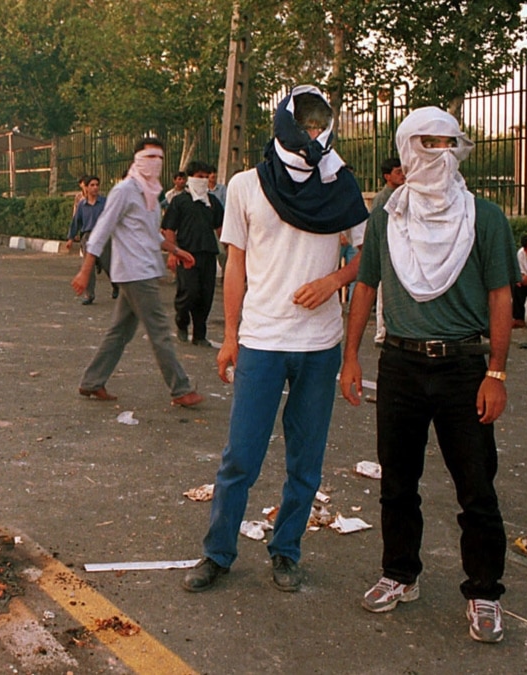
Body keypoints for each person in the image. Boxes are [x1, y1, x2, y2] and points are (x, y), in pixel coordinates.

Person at [183, 85, 368, 595]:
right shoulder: (245, 185)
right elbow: (235, 265)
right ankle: (217, 554)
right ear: (284, 123)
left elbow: (365, 257)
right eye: (303, 123)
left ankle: (286, 551)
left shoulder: (338, 183)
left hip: (320, 343)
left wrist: (334, 281)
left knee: (305, 462)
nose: (311, 135)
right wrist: (229, 337)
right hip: (262, 340)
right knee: (240, 457)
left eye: (319, 125)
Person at [340, 107, 515, 644]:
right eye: (426, 143)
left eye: (446, 142)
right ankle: (400, 574)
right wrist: (351, 358)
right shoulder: (388, 215)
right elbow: (365, 287)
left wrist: (497, 374)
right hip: (400, 364)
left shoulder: (483, 218)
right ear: (407, 148)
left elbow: (501, 296)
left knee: (476, 486)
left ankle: (484, 590)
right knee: (397, 482)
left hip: (464, 367)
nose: (438, 154)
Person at [71, 137, 204, 408]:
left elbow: (149, 233)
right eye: (149, 157)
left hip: (142, 270)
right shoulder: (124, 191)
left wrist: (175, 251)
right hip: (135, 273)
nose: (155, 163)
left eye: (159, 158)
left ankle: (92, 381)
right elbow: (102, 230)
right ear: (136, 160)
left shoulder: (150, 192)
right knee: (159, 331)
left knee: (120, 331)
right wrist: (85, 271)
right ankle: (181, 388)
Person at [161, 161, 223, 345]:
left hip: (208, 254)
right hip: (186, 254)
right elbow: (169, 229)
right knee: (188, 292)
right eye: (199, 176)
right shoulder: (180, 201)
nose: (203, 180)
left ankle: (199, 334)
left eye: (206, 177)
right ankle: (181, 321)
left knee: (205, 295)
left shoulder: (213, 202)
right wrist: (173, 253)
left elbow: (221, 228)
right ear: (190, 178)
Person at [370, 157, 405, 343]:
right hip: (387, 251)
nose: (403, 175)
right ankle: (381, 332)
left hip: (401, 252)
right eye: (398, 172)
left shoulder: (405, 194)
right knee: (384, 294)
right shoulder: (382, 199)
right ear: (387, 176)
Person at [66, 175, 110, 305]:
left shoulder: (105, 202)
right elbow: (76, 222)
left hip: (103, 236)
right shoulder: (82, 205)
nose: (95, 187)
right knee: (88, 266)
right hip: (88, 236)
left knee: (108, 262)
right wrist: (70, 238)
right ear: (87, 187)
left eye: (97, 185)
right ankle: (89, 294)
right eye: (92, 185)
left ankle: (116, 285)